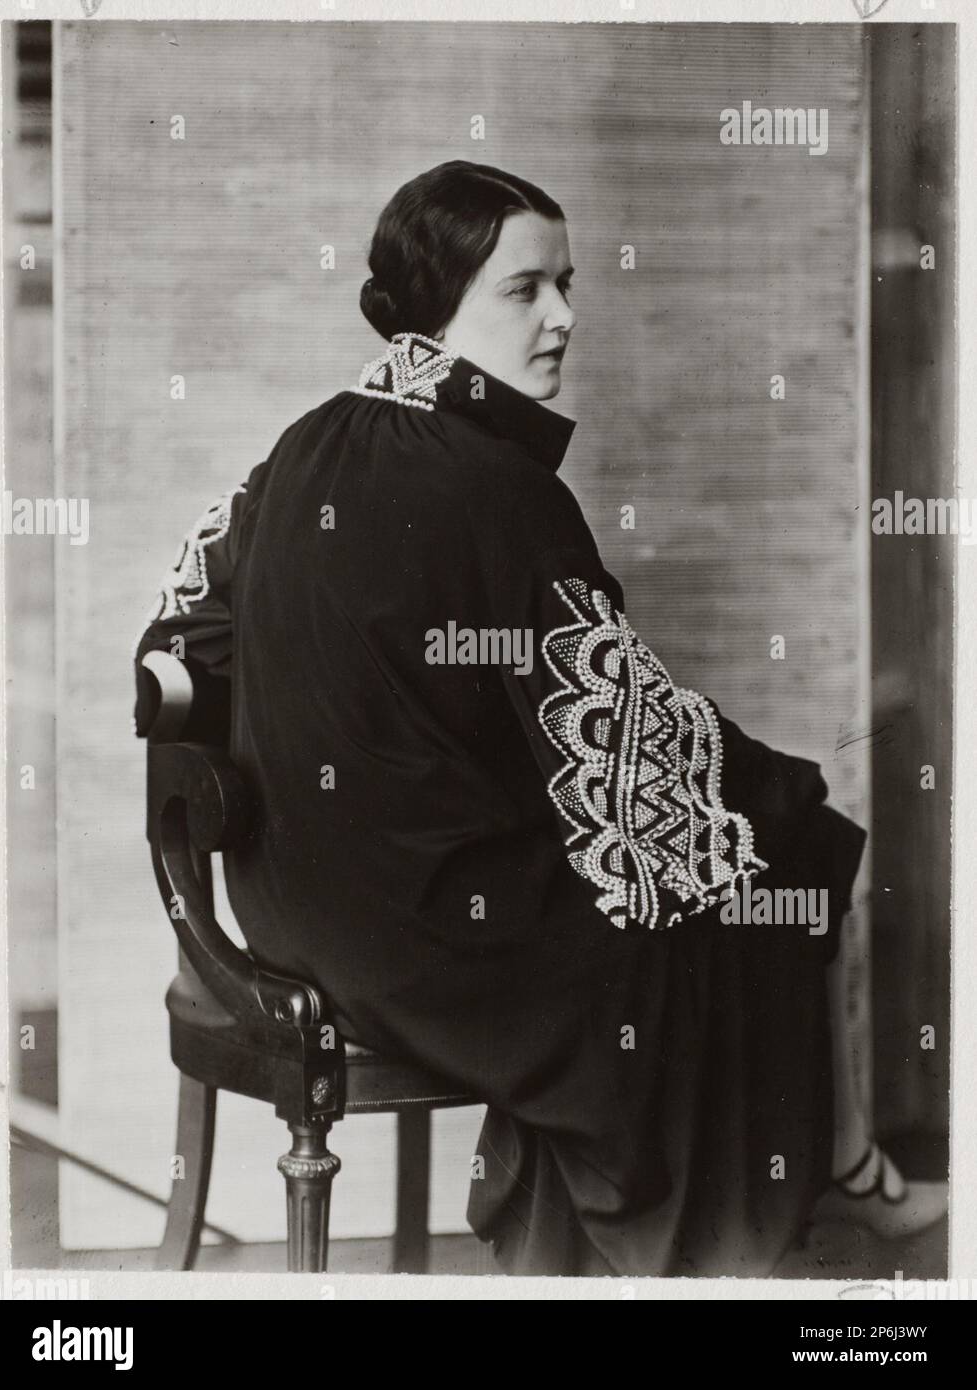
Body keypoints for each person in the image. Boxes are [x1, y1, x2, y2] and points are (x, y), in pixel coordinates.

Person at [133, 160, 946, 1275]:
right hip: (419, 937)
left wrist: (297, 757)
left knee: (721, 845)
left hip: (284, 909)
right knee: (786, 846)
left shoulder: (303, 444)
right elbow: (630, 740)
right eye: (524, 290)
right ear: (438, 304)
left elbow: (179, 648)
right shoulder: (499, 490)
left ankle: (830, 1172)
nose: (563, 315)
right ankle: (800, 1195)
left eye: (565, 285)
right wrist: (781, 789)